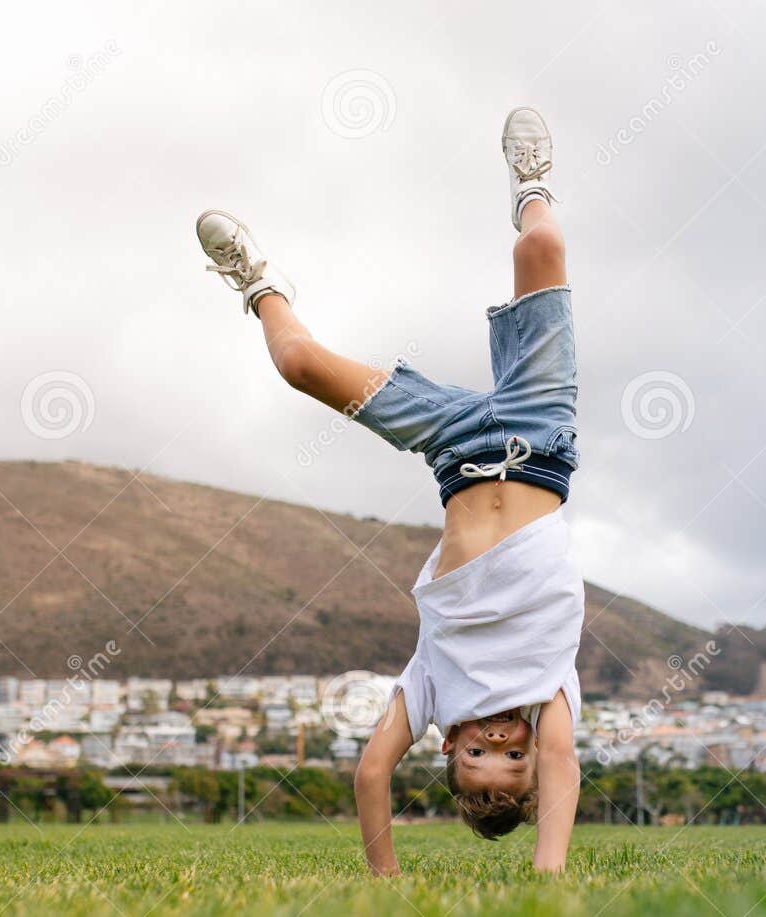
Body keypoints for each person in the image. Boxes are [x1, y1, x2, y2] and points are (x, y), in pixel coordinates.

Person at [195, 108, 582, 875]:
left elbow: (372, 771)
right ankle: (532, 184)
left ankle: (259, 283)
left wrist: (387, 883)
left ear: (450, 742)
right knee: (541, 246)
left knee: (300, 366)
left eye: (481, 752)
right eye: (514, 756)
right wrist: (549, 873)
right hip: (540, 433)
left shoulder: (432, 687)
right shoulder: (551, 695)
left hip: (453, 448)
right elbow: (565, 772)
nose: (500, 740)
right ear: (534, 748)